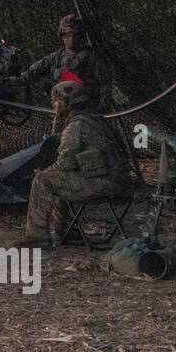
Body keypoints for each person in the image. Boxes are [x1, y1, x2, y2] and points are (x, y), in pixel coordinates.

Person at [24, 81, 132, 245]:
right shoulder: (96, 119)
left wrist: (44, 170)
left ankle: (36, 236)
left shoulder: (76, 126)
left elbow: (65, 164)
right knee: (57, 179)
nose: (54, 106)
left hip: (106, 184)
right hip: (118, 180)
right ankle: (65, 230)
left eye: (56, 102)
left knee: (43, 179)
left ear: (63, 103)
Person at [20, 13, 114, 122]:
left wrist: (101, 109)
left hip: (86, 113)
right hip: (61, 112)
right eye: (67, 34)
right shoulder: (54, 58)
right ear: (62, 35)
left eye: (75, 34)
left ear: (81, 35)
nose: (71, 38)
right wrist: (12, 80)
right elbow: (29, 75)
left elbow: (105, 82)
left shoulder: (91, 56)